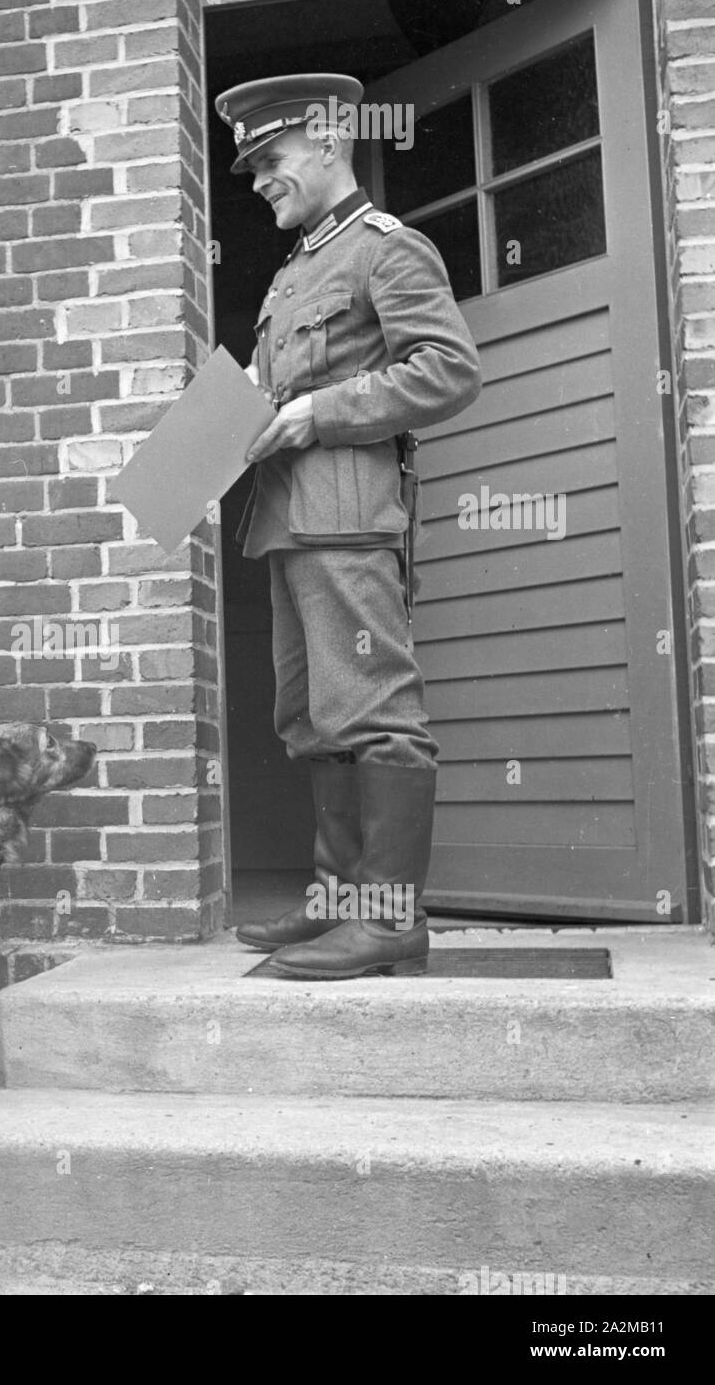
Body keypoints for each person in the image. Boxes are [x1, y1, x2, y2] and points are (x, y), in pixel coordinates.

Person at [214, 75, 482, 979]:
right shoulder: (294, 274)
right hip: (288, 522)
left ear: (329, 143)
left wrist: (324, 409)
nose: (257, 182)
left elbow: (448, 370)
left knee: (375, 712)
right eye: (251, 170)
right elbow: (259, 393)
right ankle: (339, 903)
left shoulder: (386, 251)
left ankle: (391, 919)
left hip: (348, 516)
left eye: (271, 161)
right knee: (311, 714)